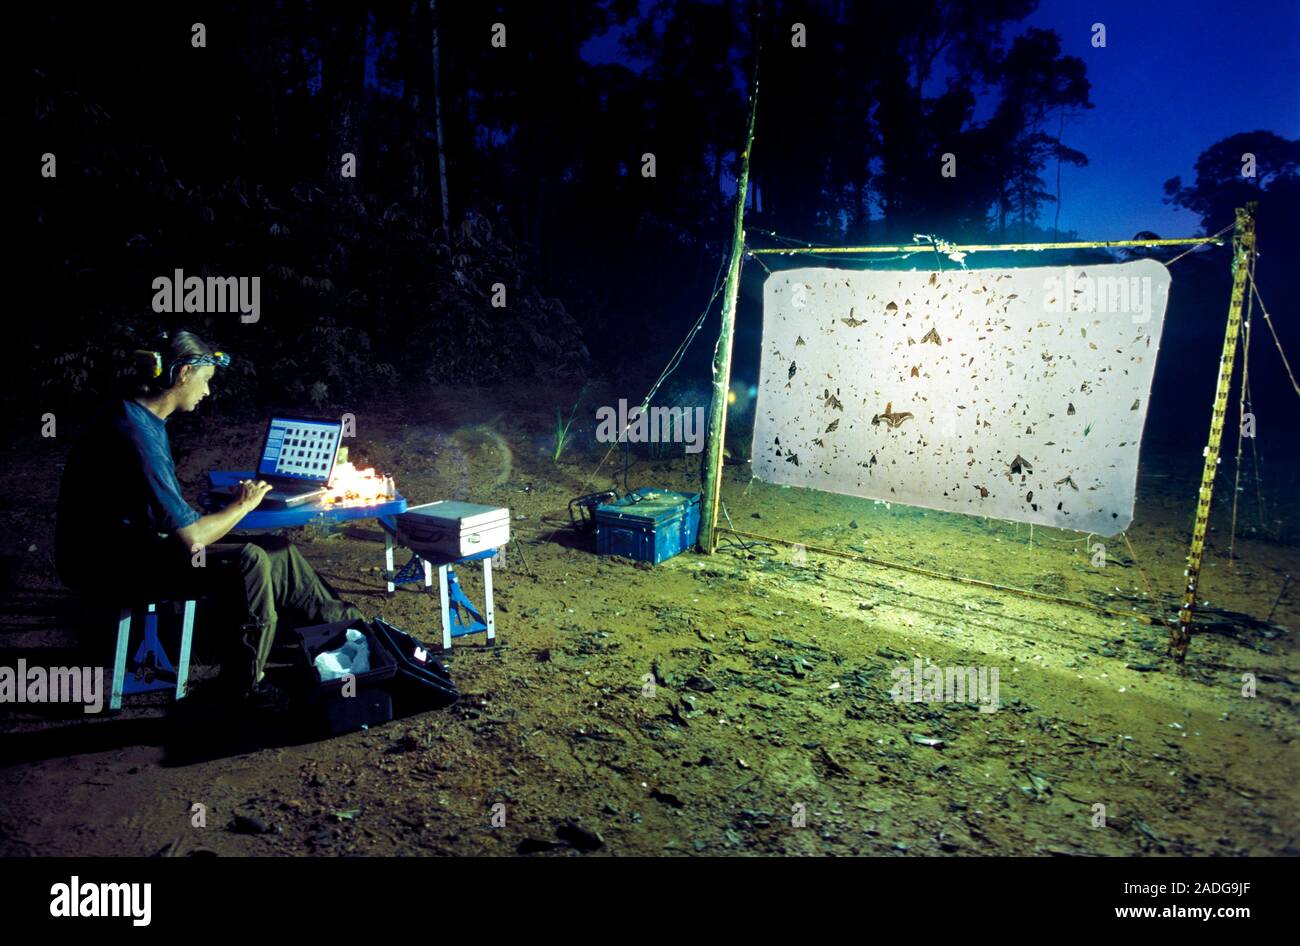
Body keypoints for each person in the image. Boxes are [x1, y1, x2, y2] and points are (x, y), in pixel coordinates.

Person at [55, 330, 364, 706]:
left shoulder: (137, 416)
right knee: (249, 559)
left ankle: (350, 633)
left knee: (278, 549)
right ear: (183, 374)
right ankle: (245, 687)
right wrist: (242, 506)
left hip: (134, 545)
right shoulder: (136, 435)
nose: (208, 392)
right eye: (206, 381)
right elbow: (192, 540)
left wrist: (230, 510)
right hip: (111, 564)